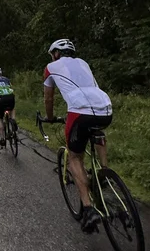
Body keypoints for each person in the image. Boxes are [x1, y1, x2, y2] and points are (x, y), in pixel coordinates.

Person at [42, 39, 112, 233]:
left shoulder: (50, 67)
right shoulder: (84, 63)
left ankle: (88, 209)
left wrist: (49, 118)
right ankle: (104, 172)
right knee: (96, 130)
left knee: (74, 157)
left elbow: (48, 97)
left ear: (56, 53)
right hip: (105, 108)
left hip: (79, 112)